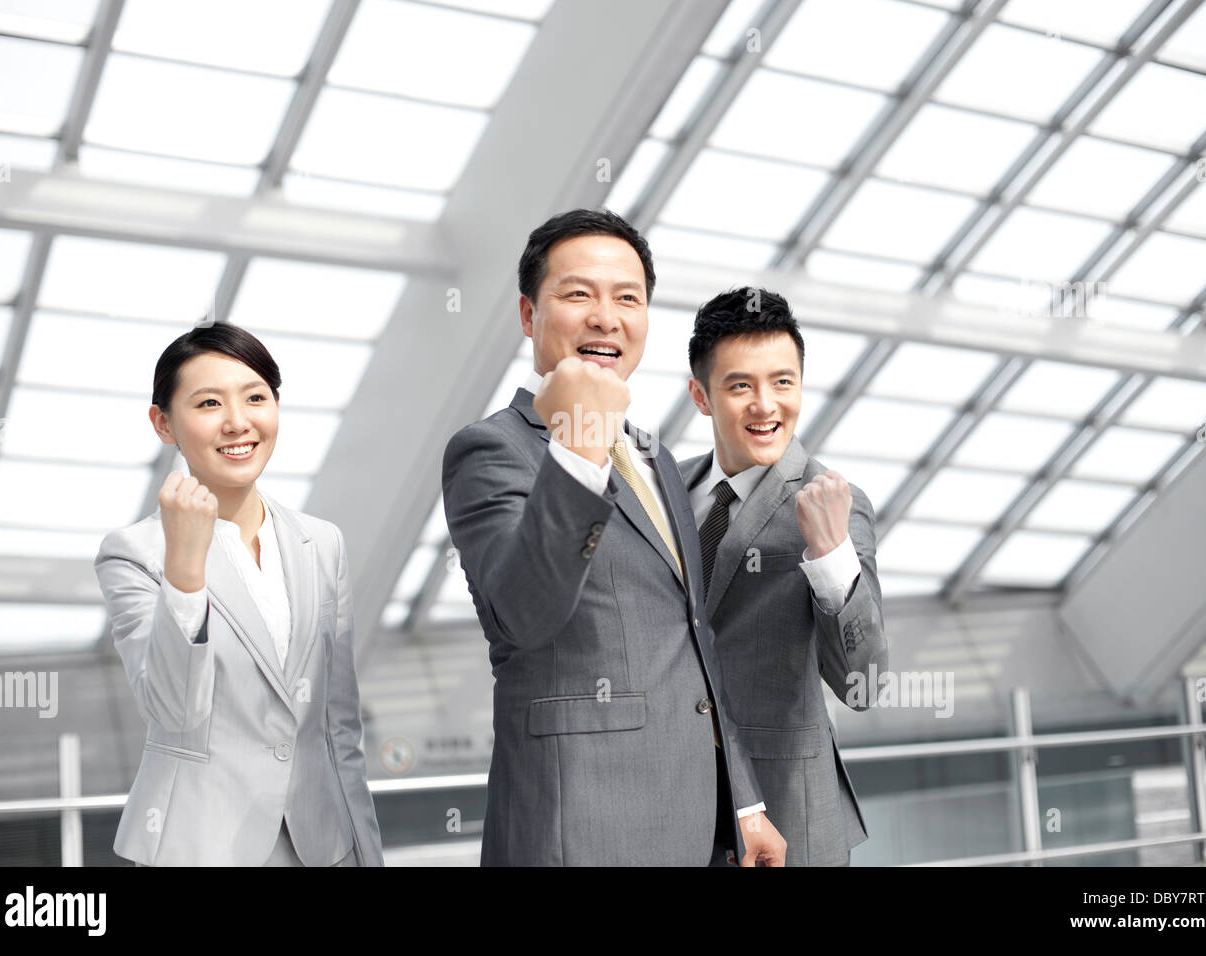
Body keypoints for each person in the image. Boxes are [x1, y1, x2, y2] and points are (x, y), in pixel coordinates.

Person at [442, 208, 785, 866]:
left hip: (695, 823)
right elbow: (522, 615)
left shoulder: (654, 456)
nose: (606, 318)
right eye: (578, 295)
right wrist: (576, 450)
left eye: (627, 298)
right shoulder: (491, 450)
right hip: (582, 827)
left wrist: (744, 801)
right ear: (527, 315)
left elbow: (693, 638)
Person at [93, 323, 382, 866]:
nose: (237, 422)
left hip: (322, 847)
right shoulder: (134, 553)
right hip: (201, 849)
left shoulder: (321, 543)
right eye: (207, 403)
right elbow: (173, 711)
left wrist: (365, 852)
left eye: (255, 398)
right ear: (164, 424)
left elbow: (338, 725)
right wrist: (185, 568)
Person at [679, 287, 888, 866]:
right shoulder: (667, 490)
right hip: (679, 809)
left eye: (783, 382)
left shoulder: (837, 504)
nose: (765, 405)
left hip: (789, 817)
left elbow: (863, 684)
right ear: (701, 395)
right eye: (740, 385)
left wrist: (830, 551)